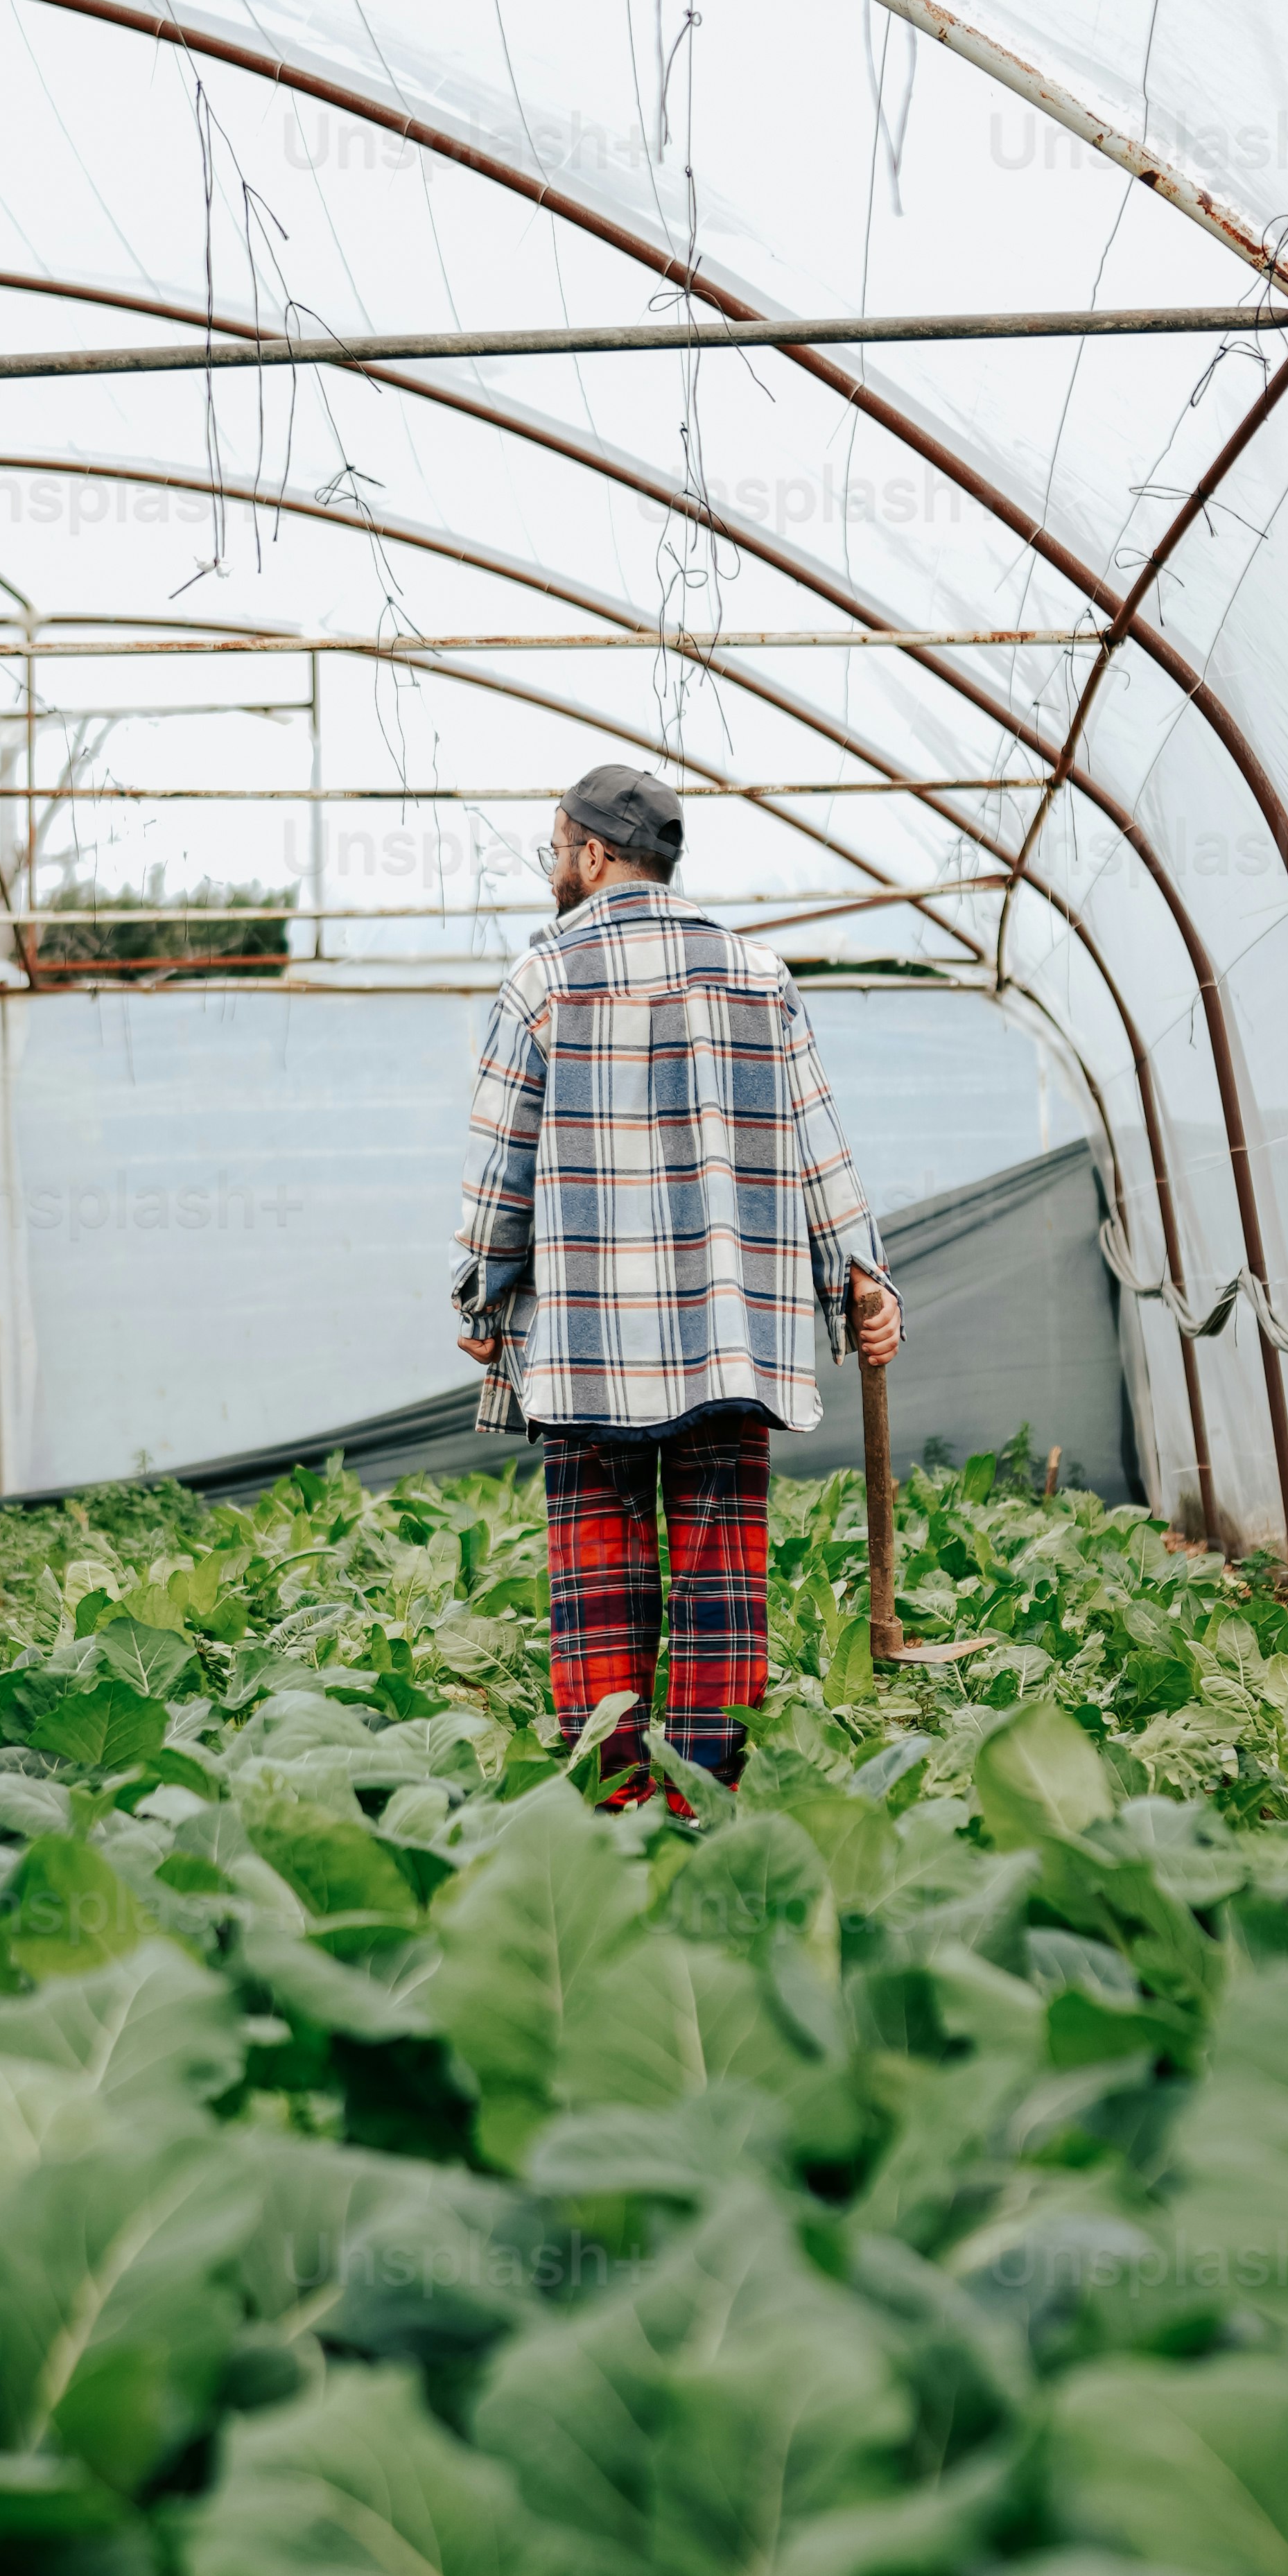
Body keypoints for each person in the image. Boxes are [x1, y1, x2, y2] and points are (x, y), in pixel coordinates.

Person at [451, 759, 900, 1800]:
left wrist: (479, 1293)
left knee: (599, 1587)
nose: (551, 870)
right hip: (729, 1338)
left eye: (554, 850)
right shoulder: (758, 974)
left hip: (585, 1344)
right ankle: (706, 1798)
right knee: (719, 1583)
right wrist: (860, 1280)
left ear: (594, 854)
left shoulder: (543, 980)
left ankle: (613, 1802)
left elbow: (500, 1163)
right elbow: (816, 1146)